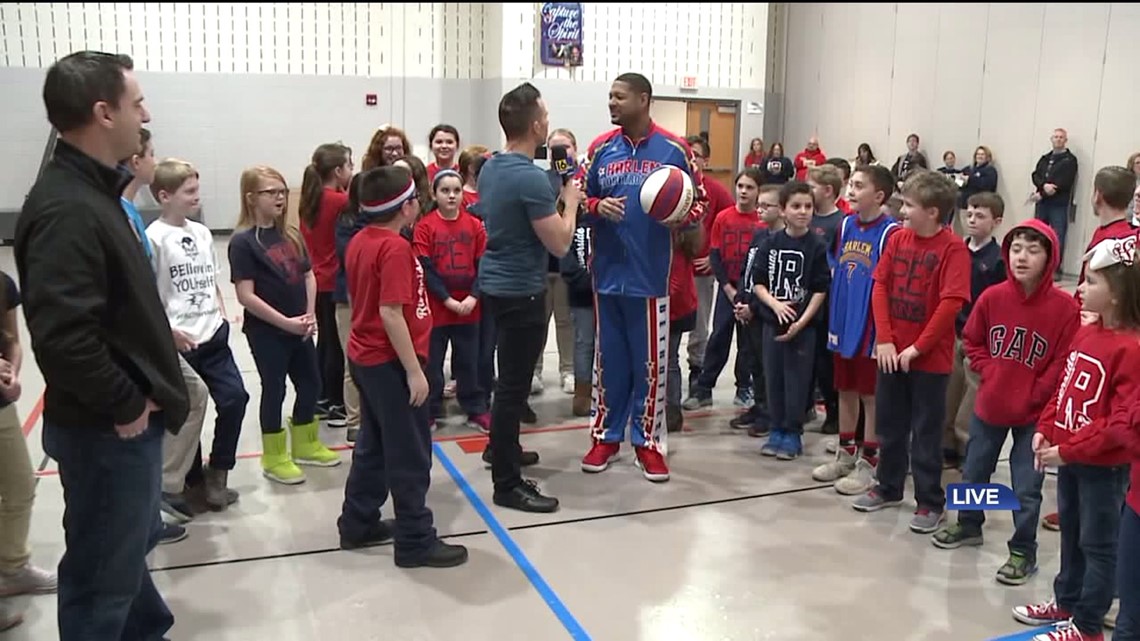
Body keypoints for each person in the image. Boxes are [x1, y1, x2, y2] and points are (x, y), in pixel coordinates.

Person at [15, 50, 190, 640]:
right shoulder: (68, 208)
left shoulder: (96, 194)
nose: (146, 115)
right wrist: (124, 402)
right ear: (103, 113)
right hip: (109, 428)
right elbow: (63, 336)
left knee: (124, 548)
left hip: (122, 424)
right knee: (101, 574)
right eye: (136, 103)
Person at [931, 220, 1079, 588]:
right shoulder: (993, 298)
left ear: (1050, 257)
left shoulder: (1064, 308)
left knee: (1026, 485)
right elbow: (973, 341)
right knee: (975, 468)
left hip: (1036, 414)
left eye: (1032, 250)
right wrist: (989, 371)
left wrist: (1036, 392)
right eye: (1016, 249)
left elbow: (1065, 359)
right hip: (991, 403)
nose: (1022, 257)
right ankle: (969, 524)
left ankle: (1023, 549)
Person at [579, 72, 708, 482]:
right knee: (609, 364)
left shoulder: (675, 148)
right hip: (606, 275)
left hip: (651, 278)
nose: (611, 103)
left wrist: (680, 214)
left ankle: (648, 443)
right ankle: (605, 436)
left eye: (619, 97)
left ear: (643, 99)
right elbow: (578, 197)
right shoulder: (600, 148)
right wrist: (597, 206)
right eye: (610, 97)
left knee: (650, 367)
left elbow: (699, 201)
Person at [338, 165, 469, 568]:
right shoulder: (392, 248)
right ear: (405, 208)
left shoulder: (363, 238)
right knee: (410, 453)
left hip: (365, 357)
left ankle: (357, 522)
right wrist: (414, 371)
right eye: (415, 198)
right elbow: (391, 313)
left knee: (374, 446)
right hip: (389, 363)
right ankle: (414, 540)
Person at [1012, 236, 1140, 641]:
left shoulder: (1131, 349)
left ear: (1117, 294)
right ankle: (1066, 601)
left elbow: (1119, 427)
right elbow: (1064, 387)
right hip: (1066, 458)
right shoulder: (1087, 334)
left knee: (1099, 545)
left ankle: (1087, 625)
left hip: (1101, 466)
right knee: (1071, 533)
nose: (1080, 289)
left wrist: (1068, 450)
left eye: (1092, 283)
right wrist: (1045, 430)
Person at [477, 82, 579, 513]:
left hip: (495, 284)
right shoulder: (530, 179)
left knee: (509, 382)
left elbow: (521, 213)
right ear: (537, 124)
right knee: (513, 388)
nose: (549, 120)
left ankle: (501, 449)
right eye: (546, 115)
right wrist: (570, 200)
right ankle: (507, 483)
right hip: (522, 289)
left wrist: (553, 184)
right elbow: (559, 243)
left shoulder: (492, 168)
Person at [853, 170, 971, 535]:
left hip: (929, 361)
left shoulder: (953, 249)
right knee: (889, 424)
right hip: (891, 354)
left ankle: (929, 501)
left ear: (933, 212)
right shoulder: (898, 239)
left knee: (926, 432)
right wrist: (885, 340)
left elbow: (950, 303)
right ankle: (887, 486)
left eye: (909, 205)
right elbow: (880, 287)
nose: (901, 211)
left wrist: (918, 348)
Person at [146, 158, 249, 511]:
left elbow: (210, 279)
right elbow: (148, 295)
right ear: (164, 195)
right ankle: (188, 483)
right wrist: (166, 331)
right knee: (189, 411)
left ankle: (218, 471)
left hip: (213, 335)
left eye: (196, 189)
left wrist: (220, 313)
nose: (197, 197)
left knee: (235, 399)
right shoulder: (154, 238)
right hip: (181, 341)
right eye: (189, 191)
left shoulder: (202, 232)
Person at [229, 165, 341, 485]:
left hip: (299, 328)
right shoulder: (243, 242)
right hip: (268, 332)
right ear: (251, 198)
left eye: (282, 192)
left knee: (311, 384)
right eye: (271, 193)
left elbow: (308, 275)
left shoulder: (289, 233)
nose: (280, 198)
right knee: (274, 389)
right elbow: (246, 296)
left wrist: (308, 315)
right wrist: (285, 323)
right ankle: (274, 455)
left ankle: (305, 443)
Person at [812, 165, 899, 494]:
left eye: (859, 185)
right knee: (844, 389)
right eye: (851, 184)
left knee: (870, 395)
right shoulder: (846, 224)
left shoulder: (891, 232)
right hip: (843, 320)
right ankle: (846, 452)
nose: (850, 190)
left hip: (870, 327)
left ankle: (870, 461)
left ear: (879, 196)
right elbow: (835, 263)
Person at [752, 181, 831, 459]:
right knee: (773, 378)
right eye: (796, 206)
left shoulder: (817, 245)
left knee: (797, 381)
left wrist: (801, 321)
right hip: (772, 323)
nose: (803, 212)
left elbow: (821, 288)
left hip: (803, 328)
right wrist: (775, 305)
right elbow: (758, 282)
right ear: (783, 210)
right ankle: (776, 429)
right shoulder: (769, 243)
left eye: (808, 206)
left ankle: (793, 432)